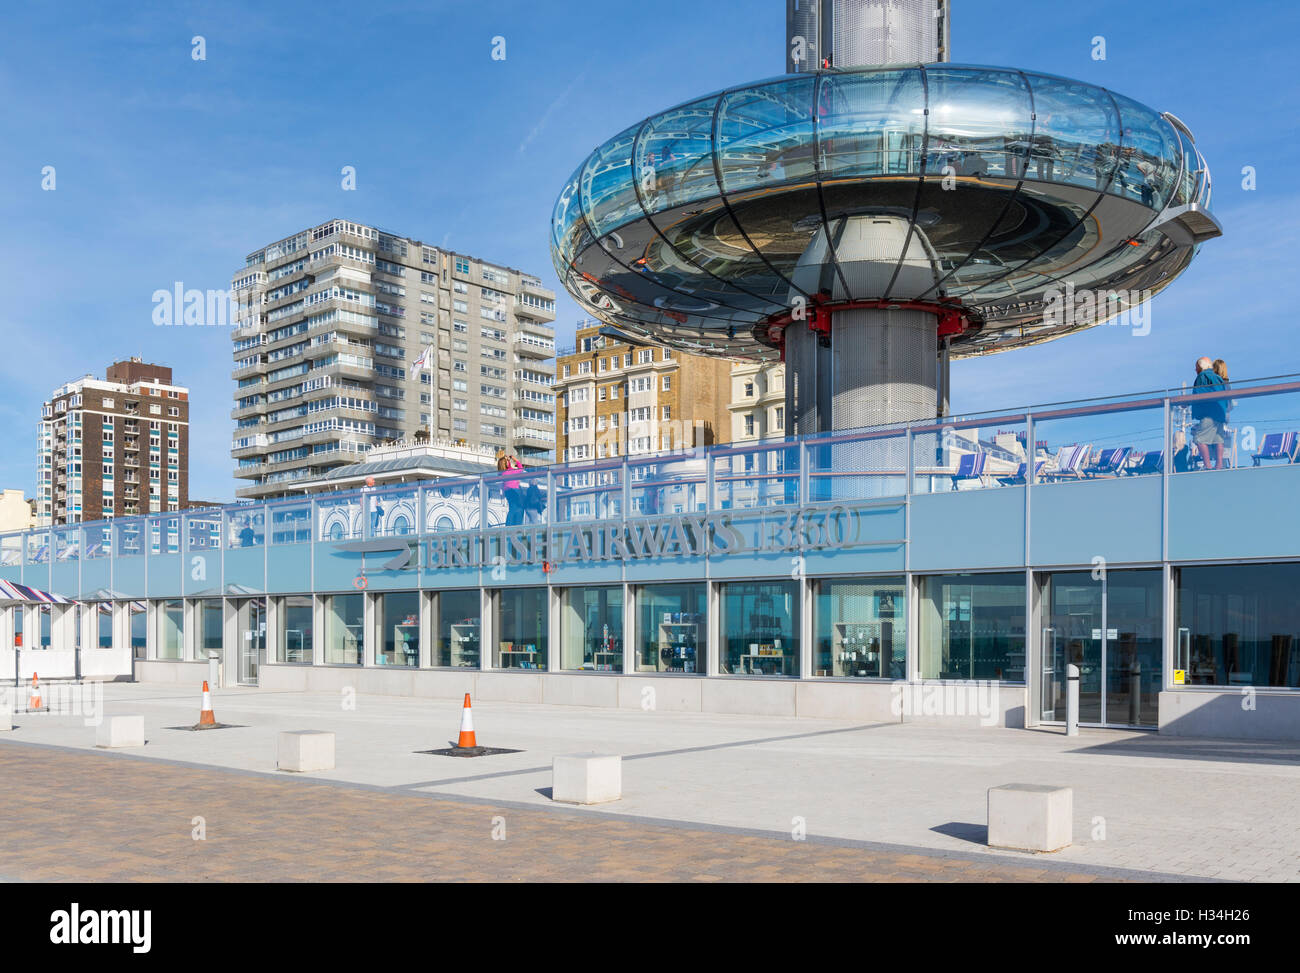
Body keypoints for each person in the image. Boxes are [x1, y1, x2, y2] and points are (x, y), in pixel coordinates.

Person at [1190, 356, 1228, 470]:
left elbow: (1199, 393)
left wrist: (1188, 402)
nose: (1195, 370)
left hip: (1208, 413)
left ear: (1201, 366)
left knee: (1199, 438)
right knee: (1218, 439)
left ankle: (1208, 466)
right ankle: (1219, 465)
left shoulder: (1202, 376)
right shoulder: (1217, 377)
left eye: (1196, 367)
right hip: (1220, 413)